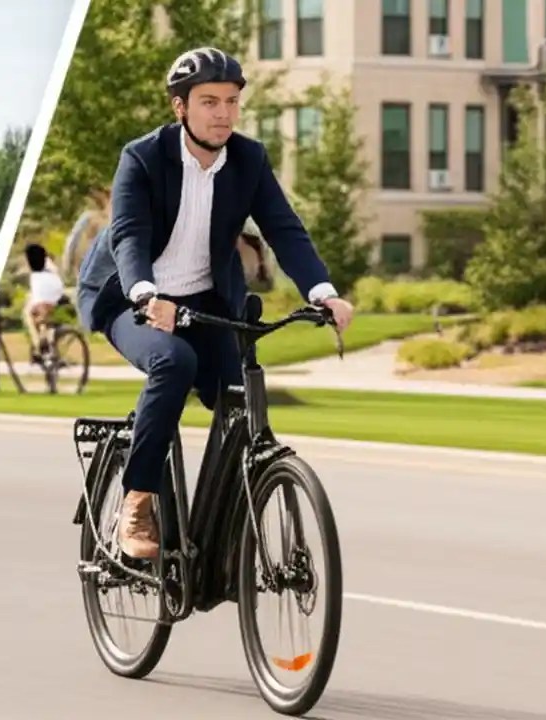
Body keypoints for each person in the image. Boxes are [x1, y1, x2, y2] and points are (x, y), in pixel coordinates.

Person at [74, 47, 354, 560]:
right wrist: (145, 294)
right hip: (129, 298)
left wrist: (323, 291)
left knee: (237, 396)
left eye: (230, 101)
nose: (223, 113)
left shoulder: (248, 159)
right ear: (180, 107)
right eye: (209, 102)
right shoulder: (142, 158)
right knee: (173, 361)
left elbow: (284, 230)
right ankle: (138, 499)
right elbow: (129, 236)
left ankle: (220, 522)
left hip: (203, 300)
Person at [20, 242, 67, 362]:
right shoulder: (48, 262)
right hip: (56, 290)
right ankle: (48, 341)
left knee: (29, 315)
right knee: (42, 317)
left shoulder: (35, 271)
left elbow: (37, 289)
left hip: (43, 292)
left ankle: (38, 346)